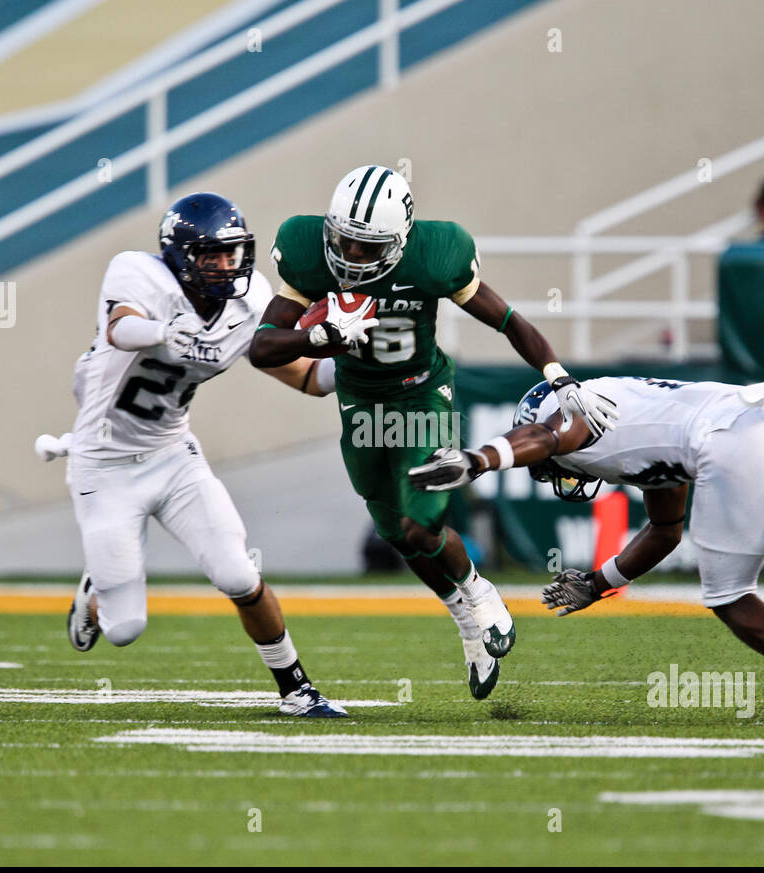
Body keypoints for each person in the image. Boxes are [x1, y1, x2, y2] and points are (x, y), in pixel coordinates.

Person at [249, 165, 618, 700]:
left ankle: (479, 590)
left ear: (400, 240)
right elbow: (263, 347)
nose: (351, 257)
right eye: (344, 242)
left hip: (421, 392)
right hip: (360, 399)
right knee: (395, 533)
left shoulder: (436, 253)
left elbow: (507, 319)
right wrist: (321, 335)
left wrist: (557, 375)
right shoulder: (305, 248)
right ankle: (464, 622)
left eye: (365, 247)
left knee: (421, 524)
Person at [409, 376, 764, 724]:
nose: (558, 471)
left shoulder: (572, 413)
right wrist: (597, 584)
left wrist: (478, 459)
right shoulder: (637, 412)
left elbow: (544, 435)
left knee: (729, 596)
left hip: (732, 435)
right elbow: (665, 530)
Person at [38, 192, 348, 718]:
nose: (227, 266)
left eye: (234, 253)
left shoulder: (248, 303)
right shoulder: (139, 275)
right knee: (125, 629)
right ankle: (94, 591)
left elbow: (308, 379)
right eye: (212, 256)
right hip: (103, 462)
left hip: (172, 454)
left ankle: (296, 690)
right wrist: (165, 331)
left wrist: (351, 356)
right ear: (181, 257)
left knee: (237, 573)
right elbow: (121, 326)